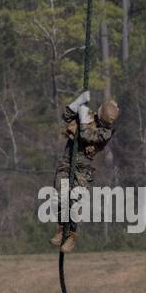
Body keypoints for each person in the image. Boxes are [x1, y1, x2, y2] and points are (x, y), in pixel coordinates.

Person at [50, 90, 118, 253]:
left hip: (82, 169)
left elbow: (87, 135)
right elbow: (66, 116)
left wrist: (83, 116)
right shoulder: (88, 114)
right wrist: (77, 102)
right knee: (60, 196)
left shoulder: (105, 133)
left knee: (74, 201)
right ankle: (61, 230)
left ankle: (71, 236)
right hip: (66, 163)